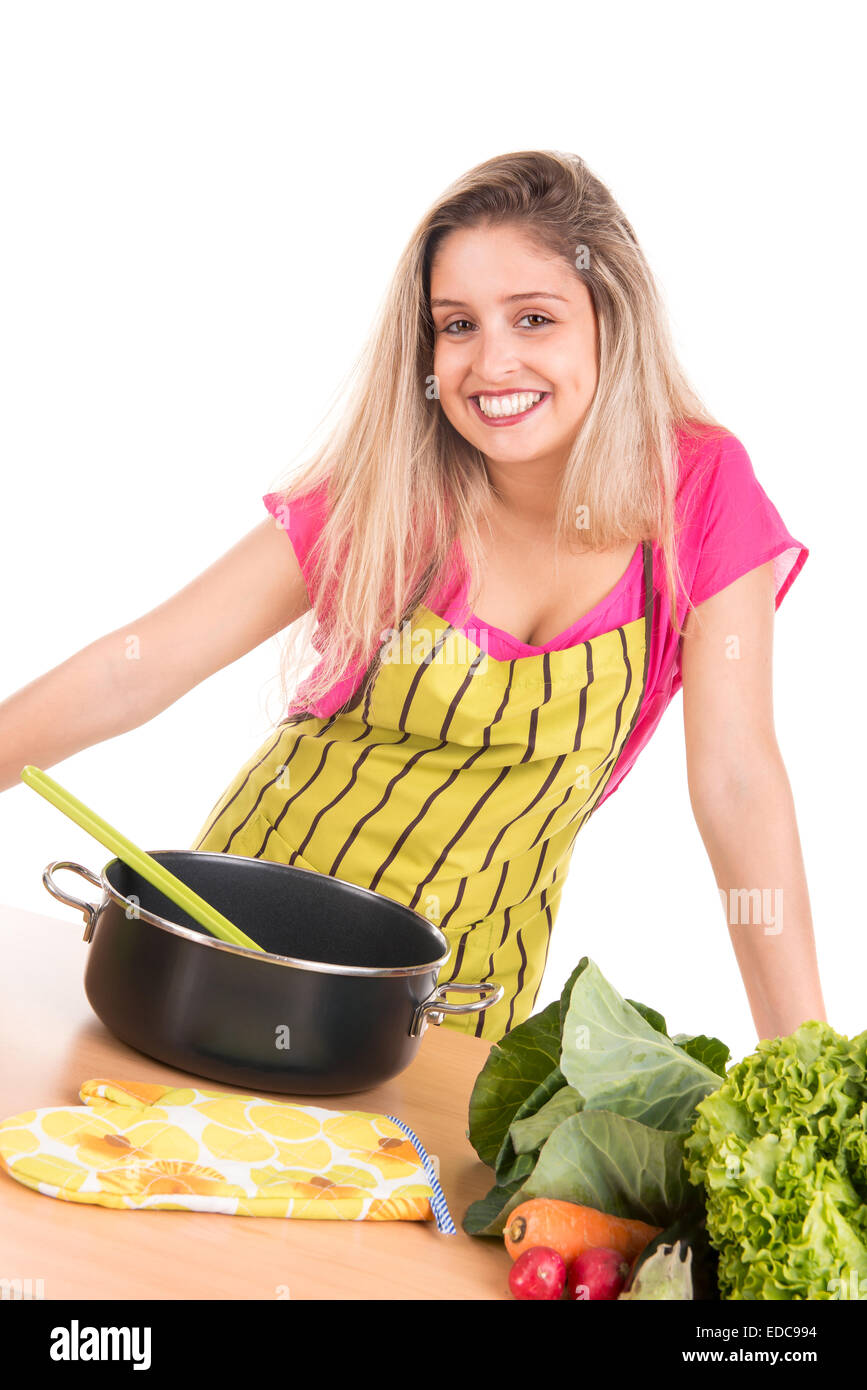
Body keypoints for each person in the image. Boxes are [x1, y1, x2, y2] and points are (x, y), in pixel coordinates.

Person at [0, 150, 826, 1044]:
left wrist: (808, 1070)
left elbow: (739, 784)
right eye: (457, 325)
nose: (491, 361)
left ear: (608, 322)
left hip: (458, 1000)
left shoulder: (698, 489)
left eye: (534, 318)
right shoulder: (390, 486)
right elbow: (140, 668)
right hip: (247, 948)